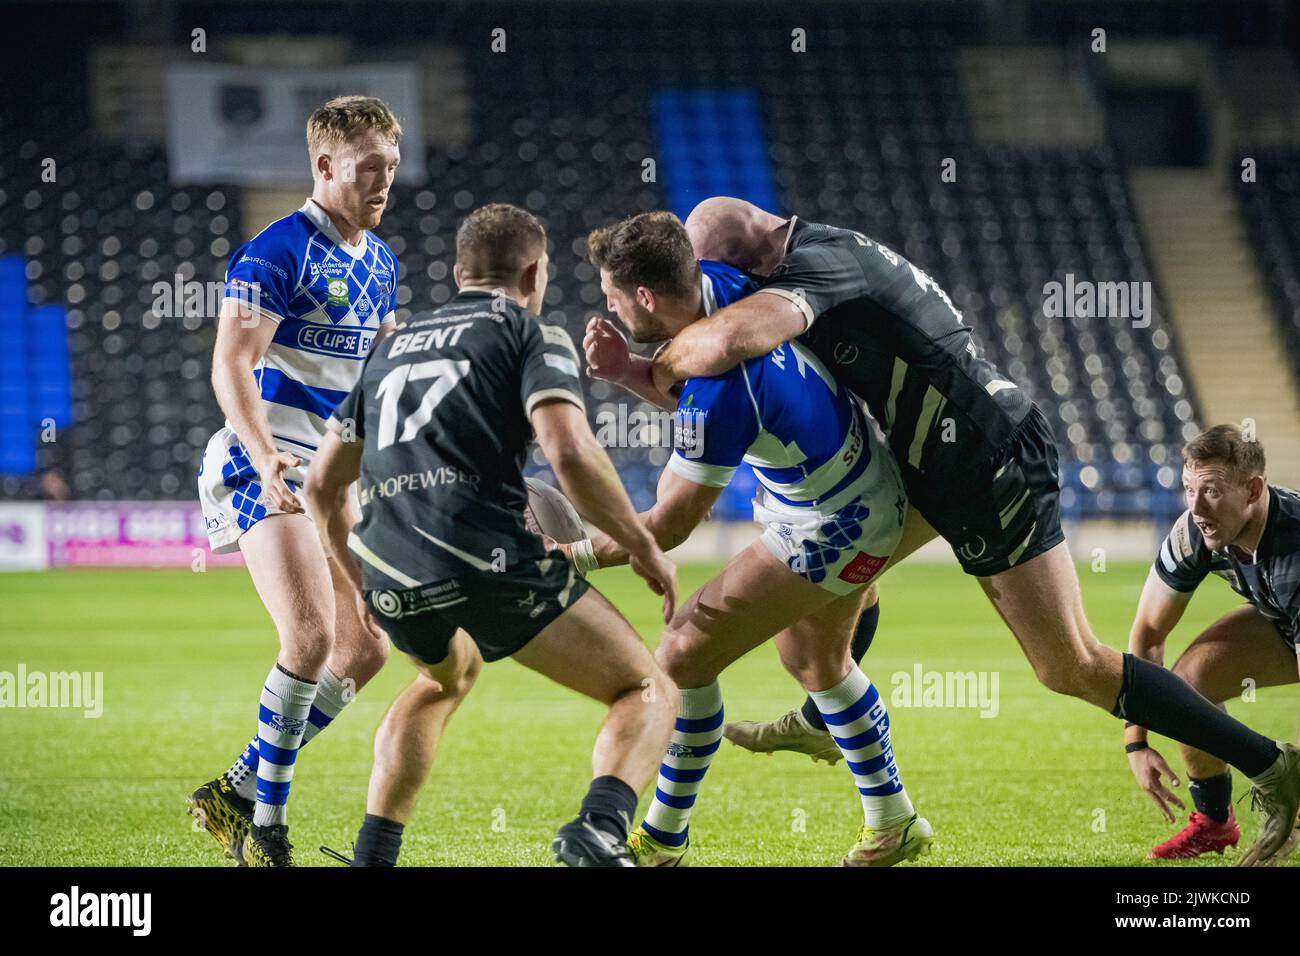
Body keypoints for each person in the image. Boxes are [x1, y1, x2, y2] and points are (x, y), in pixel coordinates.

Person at [600, 196, 1300, 866]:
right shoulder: (797, 255)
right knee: (835, 586)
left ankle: (1271, 764)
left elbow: (729, 339)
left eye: (730, 276)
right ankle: (839, 729)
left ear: (753, 260)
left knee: (1071, 665)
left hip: (985, 461)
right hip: (934, 465)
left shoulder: (814, 267)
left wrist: (654, 361)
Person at [304, 203, 679, 867]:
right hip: (483, 553)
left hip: (389, 566)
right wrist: (642, 544)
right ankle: (599, 828)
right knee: (647, 690)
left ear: (457, 272)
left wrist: (361, 578)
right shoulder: (530, 333)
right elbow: (569, 452)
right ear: (535, 272)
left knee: (445, 678)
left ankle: (372, 858)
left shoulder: (388, 349)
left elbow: (321, 489)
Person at [578, 211, 930, 866]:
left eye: (612, 296)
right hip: (862, 493)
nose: (609, 305)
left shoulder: (718, 391)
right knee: (818, 665)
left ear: (645, 297)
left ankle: (660, 838)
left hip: (832, 524)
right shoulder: (719, 287)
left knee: (682, 655)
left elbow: (670, 526)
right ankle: (895, 822)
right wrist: (630, 370)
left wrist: (570, 554)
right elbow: (696, 390)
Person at [188, 95, 403, 866]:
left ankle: (240, 786)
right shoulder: (275, 253)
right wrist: (264, 451)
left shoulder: (382, 265)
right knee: (310, 638)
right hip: (262, 462)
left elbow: (370, 385)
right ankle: (266, 834)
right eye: (369, 168)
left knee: (368, 648)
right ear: (325, 166)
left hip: (330, 477)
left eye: (391, 168)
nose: (384, 183)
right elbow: (231, 362)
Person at [1126, 425, 1300, 861]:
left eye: (1212, 492)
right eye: (1189, 489)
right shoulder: (1195, 534)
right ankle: (1214, 824)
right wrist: (1137, 742)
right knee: (1187, 684)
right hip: (1284, 618)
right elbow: (1148, 634)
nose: (1197, 507)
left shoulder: (1295, 552)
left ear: (1253, 490)